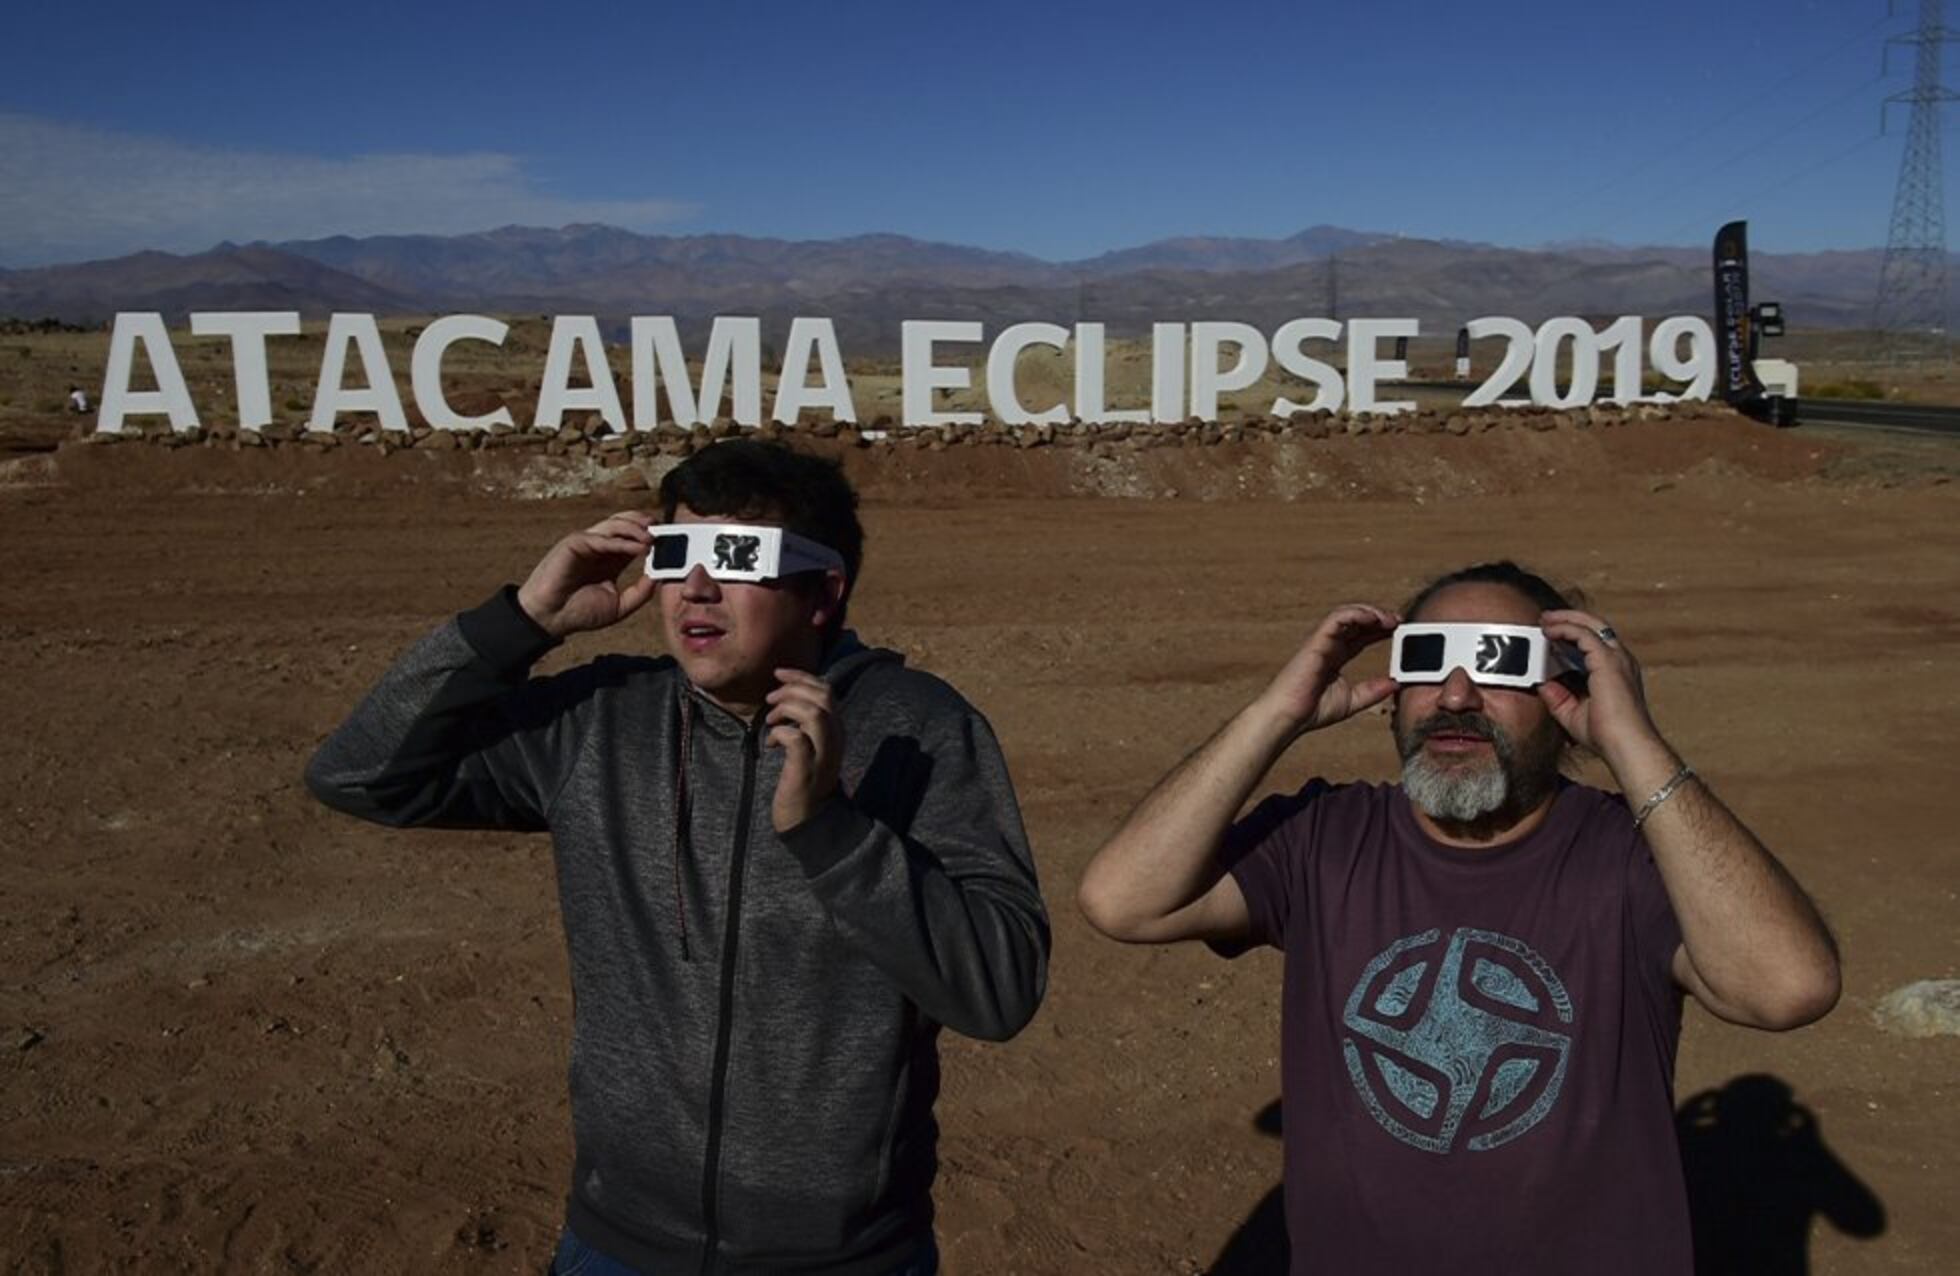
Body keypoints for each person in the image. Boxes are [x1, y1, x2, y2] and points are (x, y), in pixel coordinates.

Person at [306, 439, 1049, 1275]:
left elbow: (1001, 989)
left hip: (840, 1258)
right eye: (675, 554)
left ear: (822, 592)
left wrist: (833, 833)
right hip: (617, 1241)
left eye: (734, 558)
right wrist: (519, 623)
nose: (694, 588)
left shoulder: (918, 730)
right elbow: (359, 775)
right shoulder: (601, 722)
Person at [1076, 560, 1840, 1275]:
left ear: (1566, 692)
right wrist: (1277, 713)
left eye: (1501, 665)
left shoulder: (1629, 855)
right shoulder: (1324, 837)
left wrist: (1633, 743)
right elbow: (1125, 901)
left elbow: (1787, 989)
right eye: (1428, 658)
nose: (1455, 695)